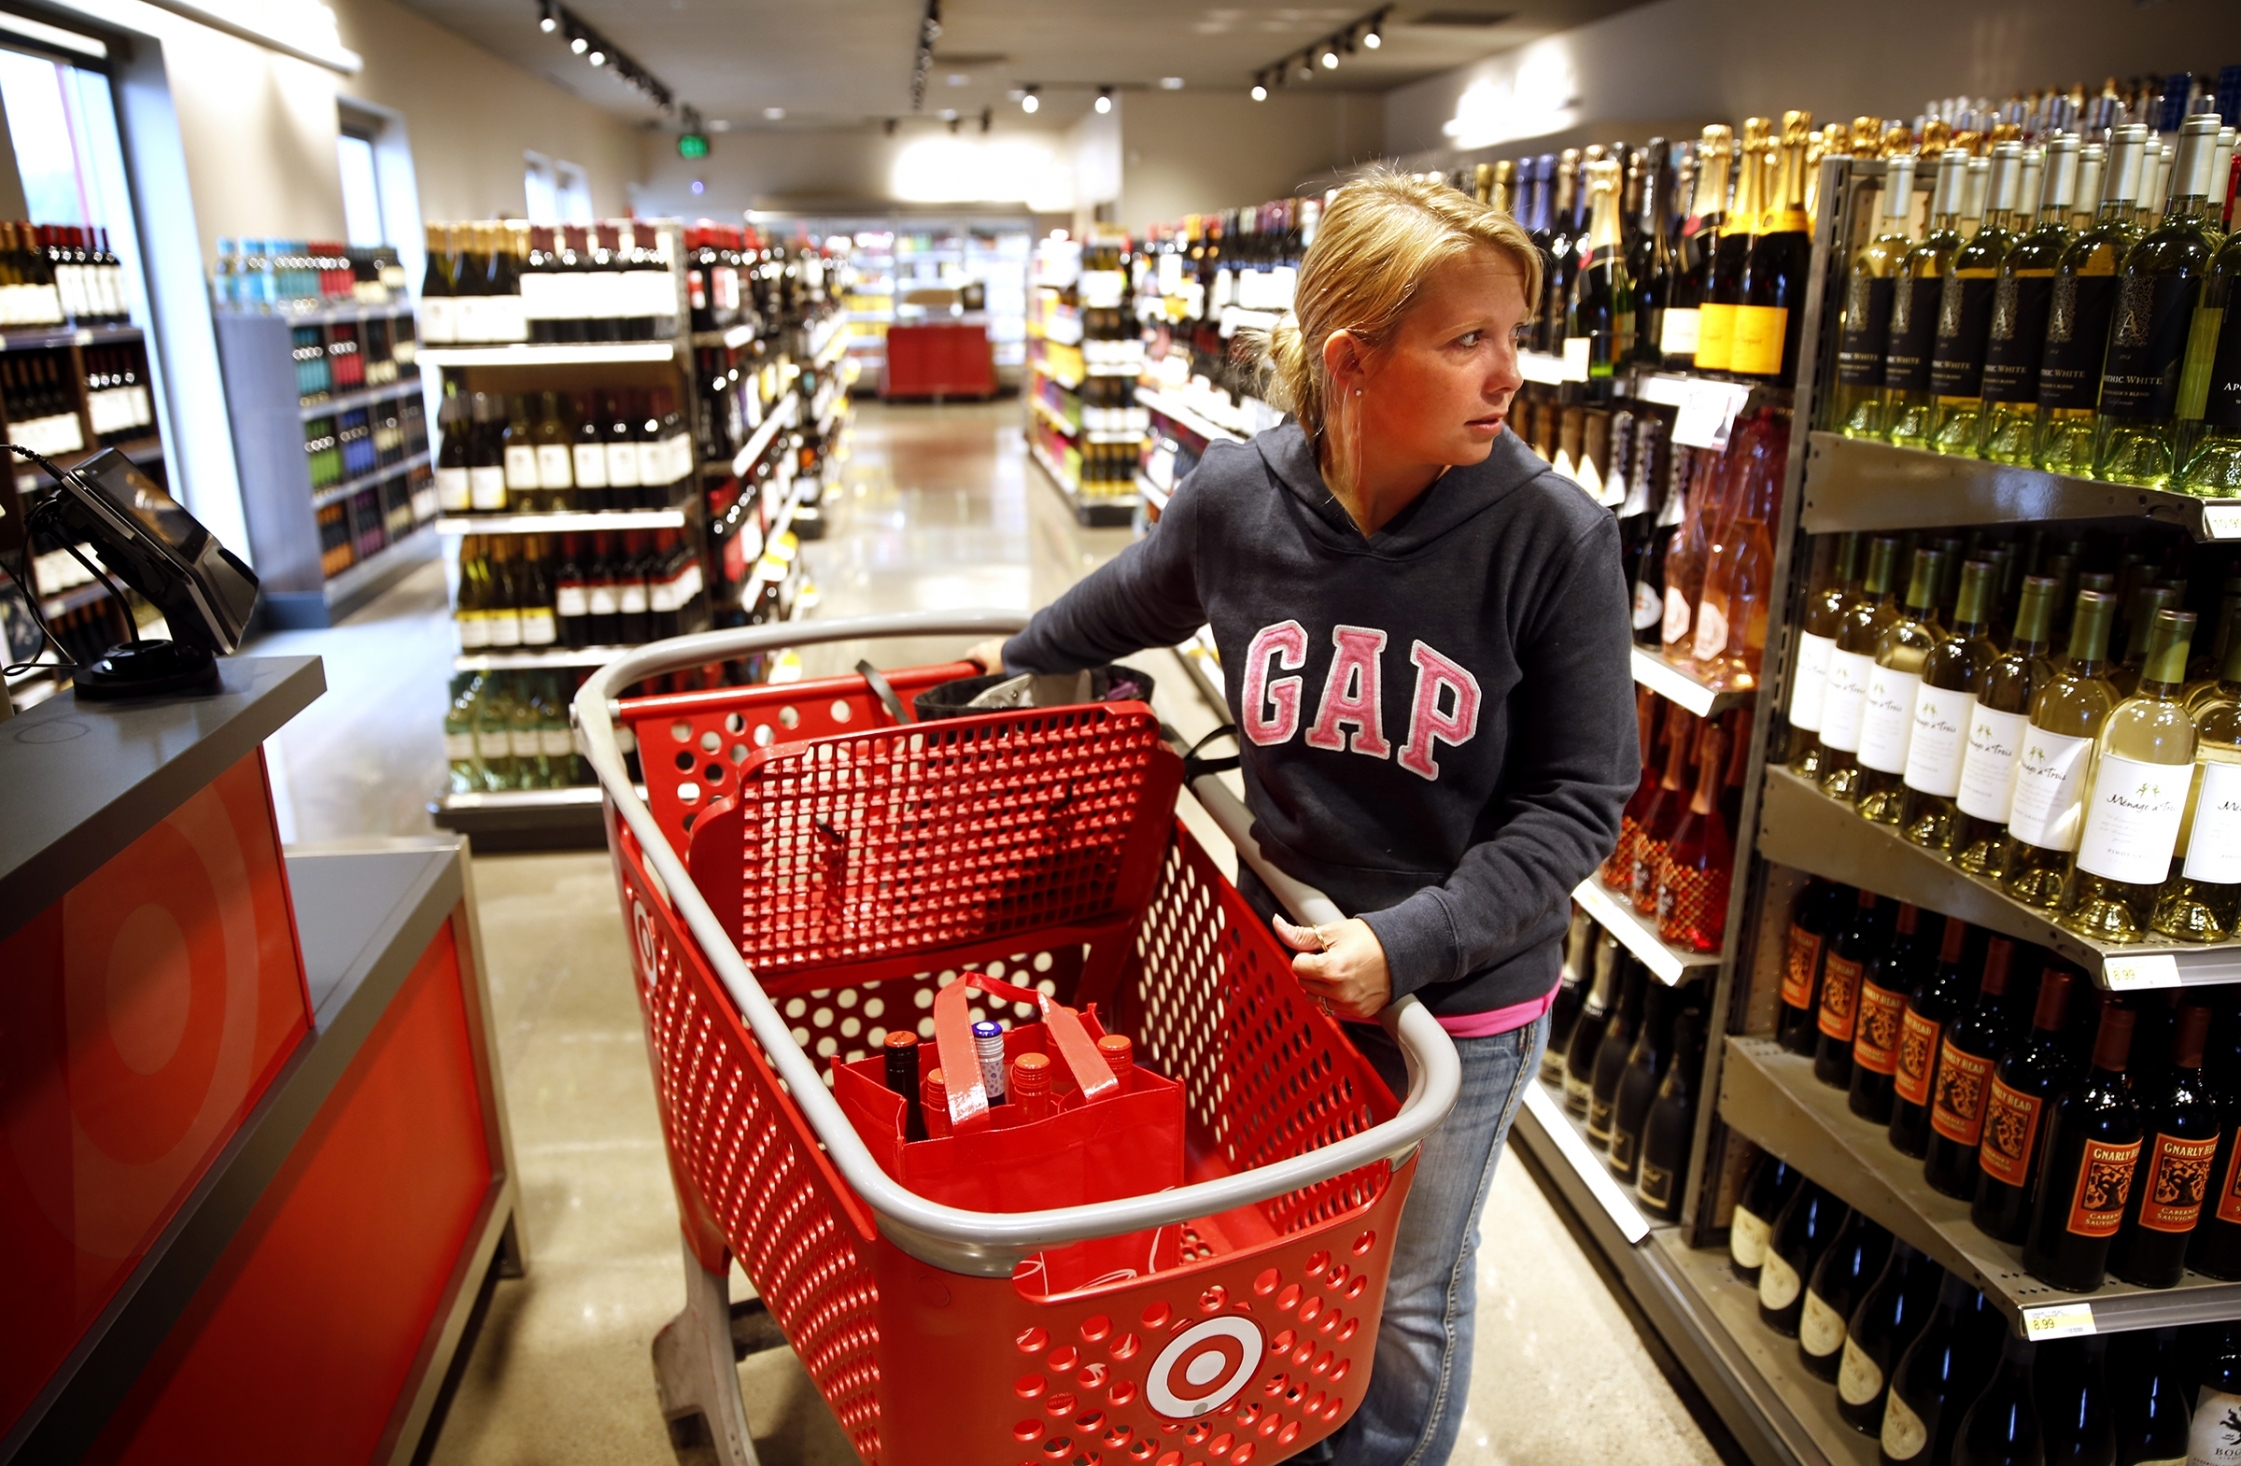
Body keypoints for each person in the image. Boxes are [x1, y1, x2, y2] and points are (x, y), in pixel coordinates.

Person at [971, 169, 1637, 1465]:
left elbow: (1577, 805)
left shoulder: (1551, 538)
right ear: (1350, 357)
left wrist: (1411, 942)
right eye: (1466, 340)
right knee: (1287, 1236)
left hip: (1460, 998)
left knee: (1405, 1288)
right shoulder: (1237, 499)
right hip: (1279, 964)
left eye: (1514, 333)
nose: (1509, 373)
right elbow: (1110, 610)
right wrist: (987, 683)